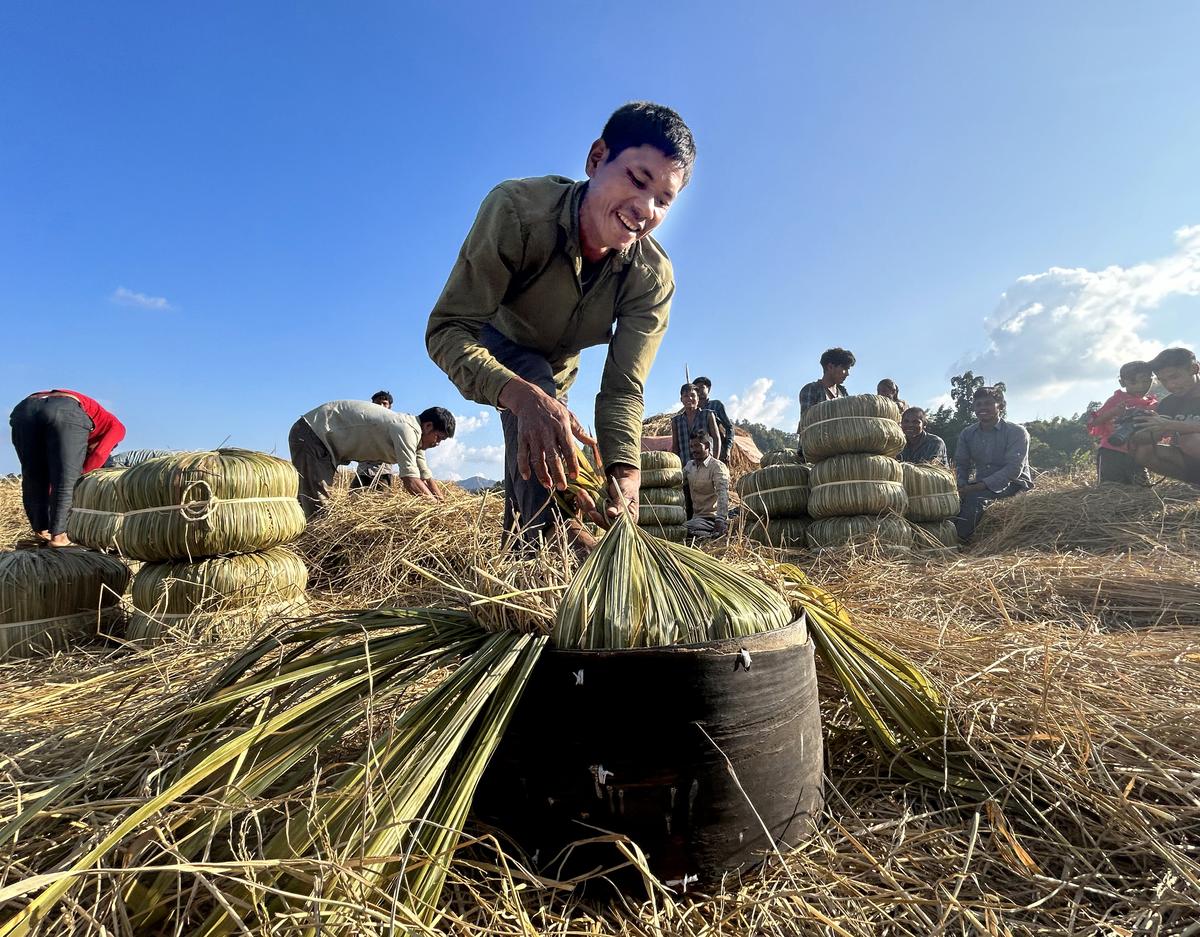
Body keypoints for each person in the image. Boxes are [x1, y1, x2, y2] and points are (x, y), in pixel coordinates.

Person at [426, 101, 695, 546]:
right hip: (495, 342)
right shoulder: (517, 212)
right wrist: (519, 394)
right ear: (596, 159)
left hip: (557, 373)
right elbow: (447, 329)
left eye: (664, 200)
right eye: (636, 179)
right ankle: (551, 547)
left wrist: (623, 472)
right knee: (534, 394)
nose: (646, 208)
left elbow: (624, 387)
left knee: (547, 458)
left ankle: (525, 550)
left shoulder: (650, 276)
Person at [288, 401, 454, 518]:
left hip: (323, 441)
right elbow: (410, 480)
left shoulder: (417, 440)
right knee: (317, 505)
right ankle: (319, 557)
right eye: (438, 438)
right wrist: (436, 511)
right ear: (428, 426)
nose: (437, 444)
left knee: (309, 501)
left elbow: (426, 477)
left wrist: (444, 506)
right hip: (313, 434)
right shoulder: (407, 430)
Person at [9, 389, 126, 547]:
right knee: (67, 479)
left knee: (33, 476)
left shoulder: (92, 415)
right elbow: (99, 454)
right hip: (65, 409)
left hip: (25, 409)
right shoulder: (116, 427)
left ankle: (41, 530)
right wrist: (80, 478)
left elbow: (47, 478)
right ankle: (59, 537)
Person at [952, 386, 1032, 539]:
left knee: (976, 500)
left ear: (1000, 406)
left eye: (988, 403)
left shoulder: (1017, 432)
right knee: (951, 501)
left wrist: (978, 487)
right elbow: (962, 463)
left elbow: (1013, 469)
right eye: (978, 404)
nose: (983, 408)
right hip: (980, 482)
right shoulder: (967, 433)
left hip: (1013, 483)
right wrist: (961, 483)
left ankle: (957, 543)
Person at [1129, 347, 1200, 486]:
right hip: (1189, 460)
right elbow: (1154, 435)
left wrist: (1170, 425)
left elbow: (1171, 427)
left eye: (1174, 377)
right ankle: (1195, 483)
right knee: (1143, 450)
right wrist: (1133, 431)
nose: (1170, 385)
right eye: (1163, 380)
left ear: (1194, 369)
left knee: (1191, 441)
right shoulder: (1168, 403)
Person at [1086, 361, 1157, 485]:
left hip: (1138, 454)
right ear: (1122, 382)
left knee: (1143, 488)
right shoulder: (1117, 400)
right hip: (1112, 451)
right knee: (1112, 488)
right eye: (1134, 382)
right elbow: (1095, 422)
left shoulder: (1151, 404)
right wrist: (1114, 411)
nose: (1141, 386)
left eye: (1146, 381)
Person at [683, 432, 729, 539]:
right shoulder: (690, 466)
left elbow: (723, 494)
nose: (693, 450)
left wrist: (720, 520)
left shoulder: (717, 467)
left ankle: (714, 535)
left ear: (707, 445)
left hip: (711, 519)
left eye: (697, 446)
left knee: (683, 530)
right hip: (696, 518)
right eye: (691, 446)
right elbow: (676, 482)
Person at [796, 347, 855, 432]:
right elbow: (807, 424)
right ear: (830, 367)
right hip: (815, 444)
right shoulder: (811, 389)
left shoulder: (844, 394)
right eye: (844, 369)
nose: (847, 374)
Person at [352, 390, 399, 491]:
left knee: (381, 502)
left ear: (389, 406)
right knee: (352, 499)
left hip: (382, 472)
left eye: (384, 403)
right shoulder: (363, 423)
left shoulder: (395, 424)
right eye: (377, 403)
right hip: (363, 470)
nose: (380, 406)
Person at [692, 376, 733, 463]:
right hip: (698, 453)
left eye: (702, 387)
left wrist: (728, 449)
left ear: (708, 389)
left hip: (716, 451)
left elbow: (729, 428)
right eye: (696, 389)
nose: (699, 391)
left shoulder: (716, 405)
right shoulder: (692, 410)